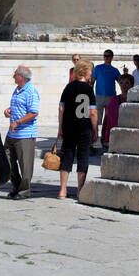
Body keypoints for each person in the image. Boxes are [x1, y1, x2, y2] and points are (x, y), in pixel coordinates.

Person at [56, 60, 97, 199]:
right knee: (83, 156)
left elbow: (61, 108)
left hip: (68, 125)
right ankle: (80, 190)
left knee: (67, 155)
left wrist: (60, 127)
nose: (91, 73)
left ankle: (62, 190)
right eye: (90, 71)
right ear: (85, 72)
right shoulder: (88, 89)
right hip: (84, 126)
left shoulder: (68, 87)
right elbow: (93, 112)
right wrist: (95, 130)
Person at [4, 66, 39, 200]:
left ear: (22, 77)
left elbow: (34, 112)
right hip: (12, 134)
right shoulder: (17, 90)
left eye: (15, 74)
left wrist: (17, 122)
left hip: (25, 134)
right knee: (8, 161)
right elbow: (19, 107)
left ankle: (24, 191)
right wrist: (8, 110)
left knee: (25, 164)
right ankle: (16, 186)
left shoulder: (31, 91)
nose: (13, 76)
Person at [89, 50, 121, 149]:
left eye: (108, 56)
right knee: (96, 119)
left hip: (111, 98)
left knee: (109, 120)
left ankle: (106, 139)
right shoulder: (98, 68)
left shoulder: (115, 70)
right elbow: (92, 82)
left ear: (112, 57)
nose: (106, 57)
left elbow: (121, 81)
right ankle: (95, 139)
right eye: (105, 56)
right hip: (98, 96)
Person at [100, 73, 133, 150]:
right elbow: (107, 118)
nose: (124, 85)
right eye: (121, 83)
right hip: (113, 138)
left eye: (127, 83)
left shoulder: (134, 101)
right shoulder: (113, 100)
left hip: (129, 139)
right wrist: (103, 135)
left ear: (132, 85)